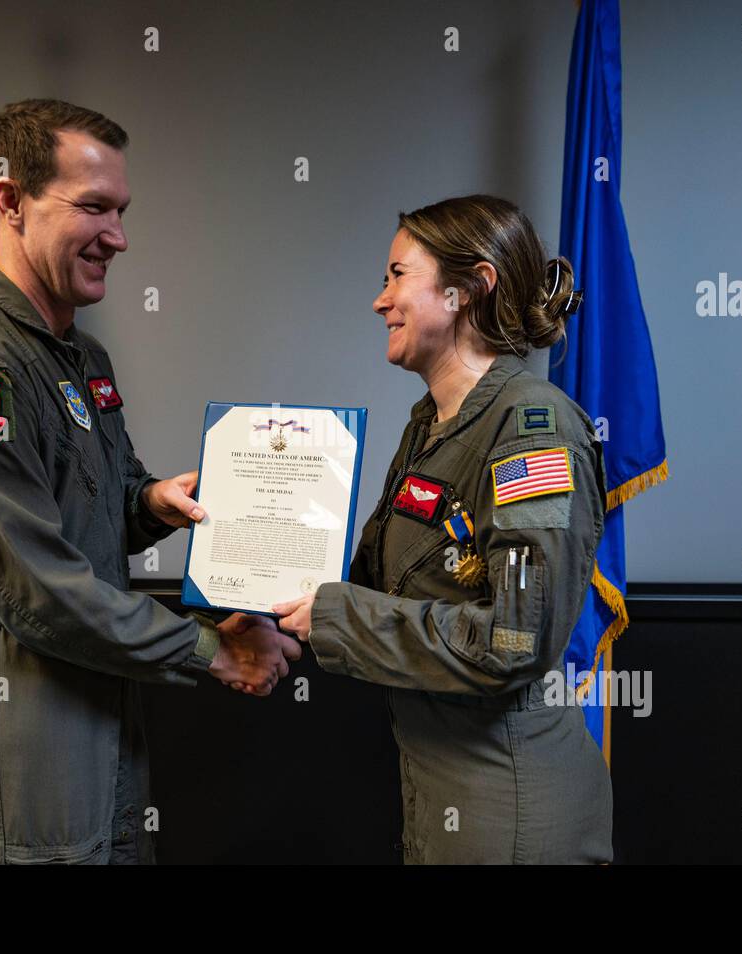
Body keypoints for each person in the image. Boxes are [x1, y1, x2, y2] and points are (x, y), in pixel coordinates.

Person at [0, 99, 299, 865]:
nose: (118, 236)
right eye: (94, 208)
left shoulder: (80, 361)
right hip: (28, 727)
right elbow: (39, 590)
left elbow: (97, 506)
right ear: (10, 202)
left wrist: (152, 504)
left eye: (121, 210)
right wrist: (214, 650)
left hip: (107, 711)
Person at [273, 194, 613, 864]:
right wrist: (266, 601)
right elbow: (373, 585)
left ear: (469, 289)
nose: (380, 301)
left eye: (397, 275)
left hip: (511, 807)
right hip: (441, 793)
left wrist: (336, 617)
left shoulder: (531, 430)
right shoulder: (429, 424)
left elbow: (517, 640)